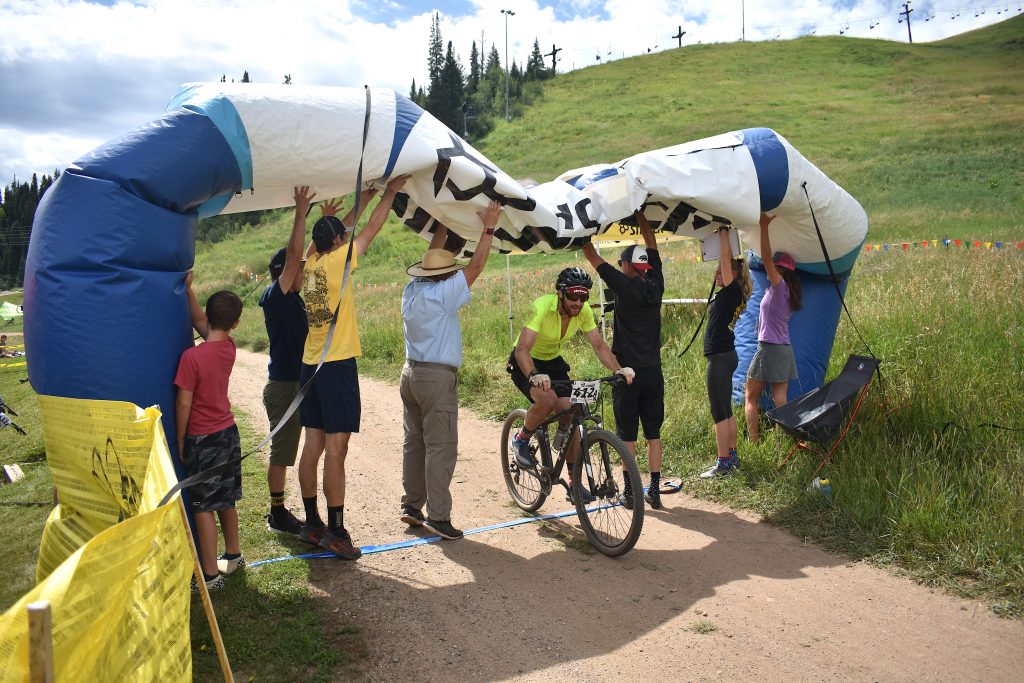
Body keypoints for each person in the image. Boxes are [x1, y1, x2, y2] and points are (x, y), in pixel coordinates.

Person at [297, 175, 409, 560]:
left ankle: (311, 524)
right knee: (336, 449)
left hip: (309, 365)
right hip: (336, 364)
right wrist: (389, 193)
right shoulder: (336, 262)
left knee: (312, 446)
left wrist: (361, 198)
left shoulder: (311, 264)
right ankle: (337, 530)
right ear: (338, 243)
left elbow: (337, 232)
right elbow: (372, 227)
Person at [399, 201, 502, 540]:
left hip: (410, 374)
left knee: (415, 444)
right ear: (445, 274)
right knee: (440, 446)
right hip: (435, 378)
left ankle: (412, 506)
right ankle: (438, 517)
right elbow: (477, 266)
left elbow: (433, 258)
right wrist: (488, 228)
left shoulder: (412, 291)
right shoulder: (445, 293)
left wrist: (440, 225)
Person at [507, 266, 635, 503]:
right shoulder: (543, 306)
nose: (578, 302)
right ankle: (521, 439)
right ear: (560, 293)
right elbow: (523, 348)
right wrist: (534, 374)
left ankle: (573, 483)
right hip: (526, 360)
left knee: (573, 408)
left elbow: (598, 345)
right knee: (548, 399)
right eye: (573, 296)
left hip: (553, 361)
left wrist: (617, 368)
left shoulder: (583, 311)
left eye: (583, 296)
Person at [580, 211, 666, 509]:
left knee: (627, 434)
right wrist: (643, 216)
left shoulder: (623, 284)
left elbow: (591, 255)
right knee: (653, 433)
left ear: (628, 265)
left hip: (627, 372)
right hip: (654, 371)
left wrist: (581, 229)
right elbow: (652, 245)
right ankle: (654, 490)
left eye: (622, 262)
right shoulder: (656, 283)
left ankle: (631, 492)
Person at [256, 186, 323, 536]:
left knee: (289, 451)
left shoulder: (293, 294)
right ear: (284, 272)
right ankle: (277, 513)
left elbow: (305, 254)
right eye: (297, 269)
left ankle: (280, 510)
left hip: (295, 384)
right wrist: (301, 211)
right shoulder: (277, 295)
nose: (303, 271)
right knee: (282, 453)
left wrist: (324, 219)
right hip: (283, 387)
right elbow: (298, 252)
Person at [175, 276, 244, 592]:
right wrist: (188, 289)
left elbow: (184, 402)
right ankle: (234, 553)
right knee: (226, 497)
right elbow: (205, 323)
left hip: (202, 439)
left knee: (203, 505)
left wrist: (180, 439)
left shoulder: (192, 357)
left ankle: (209, 574)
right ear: (236, 323)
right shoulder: (228, 347)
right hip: (228, 433)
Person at [699, 225, 753, 477]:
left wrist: (723, 234)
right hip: (725, 355)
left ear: (733, 274)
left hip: (721, 357)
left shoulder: (731, 292)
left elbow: (725, 257)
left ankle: (723, 463)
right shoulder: (732, 294)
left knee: (719, 411)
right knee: (726, 409)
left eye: (723, 270)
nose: (718, 273)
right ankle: (731, 458)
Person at [744, 212, 802, 443]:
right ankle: (785, 440)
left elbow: (766, 257)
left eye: (774, 267)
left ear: (780, 270)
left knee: (751, 397)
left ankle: (754, 443)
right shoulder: (786, 291)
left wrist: (763, 225)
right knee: (780, 398)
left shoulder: (779, 286)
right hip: (784, 349)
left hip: (769, 348)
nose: (770, 270)